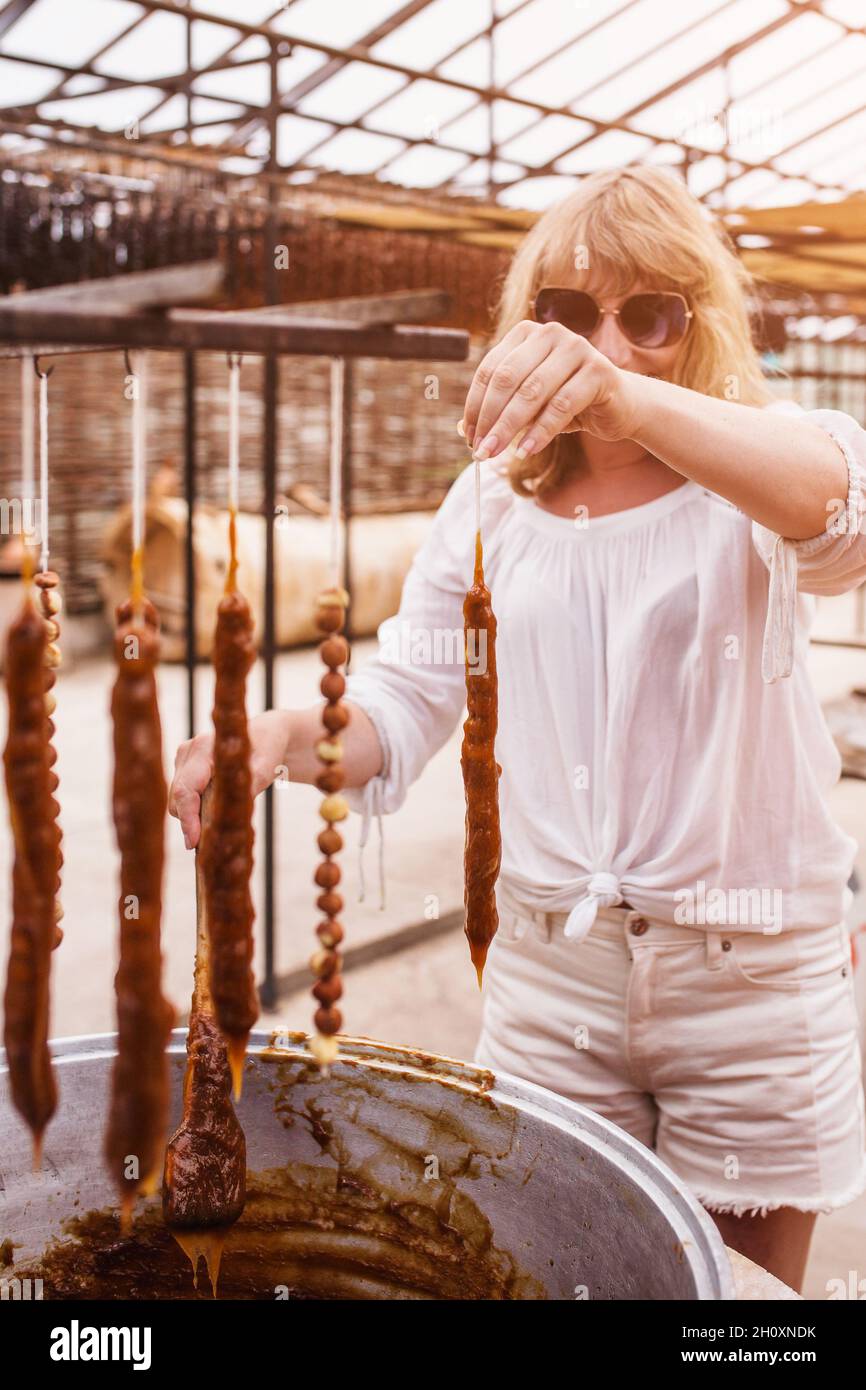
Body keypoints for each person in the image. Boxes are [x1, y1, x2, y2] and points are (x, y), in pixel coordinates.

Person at [170, 166, 866, 1292]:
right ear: (521, 325)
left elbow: (842, 514)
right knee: (553, 1274)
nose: (606, 348)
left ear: (696, 325)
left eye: (646, 315)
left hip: (745, 977)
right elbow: (401, 704)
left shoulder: (760, 457)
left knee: (742, 1312)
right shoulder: (491, 498)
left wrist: (627, 405)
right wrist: (283, 734)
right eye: (566, 315)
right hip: (553, 975)